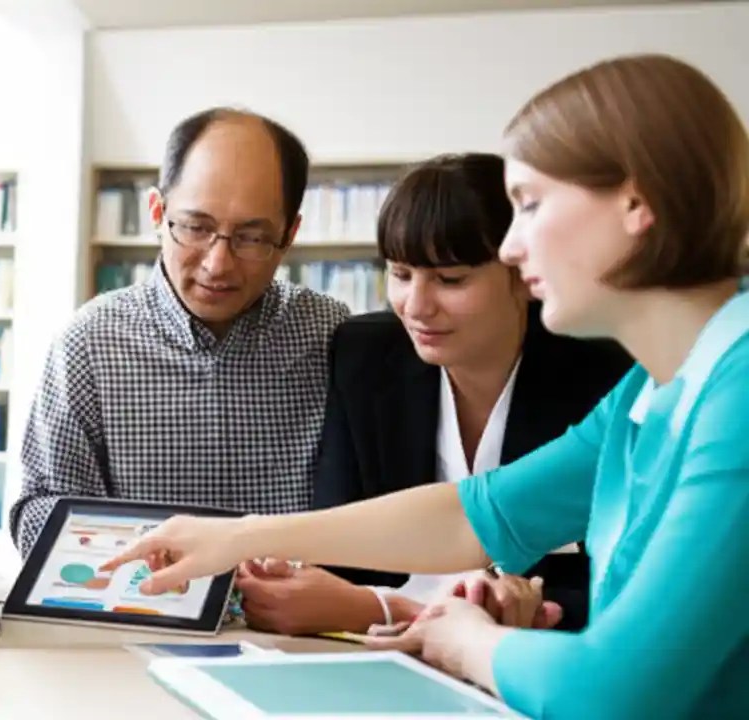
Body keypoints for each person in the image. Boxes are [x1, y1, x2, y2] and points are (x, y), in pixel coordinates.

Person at [103, 53, 749, 719]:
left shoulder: (738, 394)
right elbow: (480, 514)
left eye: (529, 205)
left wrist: (471, 643)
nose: (513, 246)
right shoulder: (653, 387)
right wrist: (238, 537)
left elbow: (612, 689)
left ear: (635, 203)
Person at [238, 153, 632, 637]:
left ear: (523, 273)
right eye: (401, 274)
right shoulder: (364, 355)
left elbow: (616, 590)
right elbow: (340, 556)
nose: (417, 307)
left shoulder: (607, 373)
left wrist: (379, 607)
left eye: (450, 280)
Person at [9, 107, 350, 556]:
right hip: (137, 609)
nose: (217, 264)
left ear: (289, 234)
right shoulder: (89, 344)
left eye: (251, 237)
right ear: (157, 211)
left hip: (296, 621)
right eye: (195, 227)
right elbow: (40, 512)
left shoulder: (332, 336)